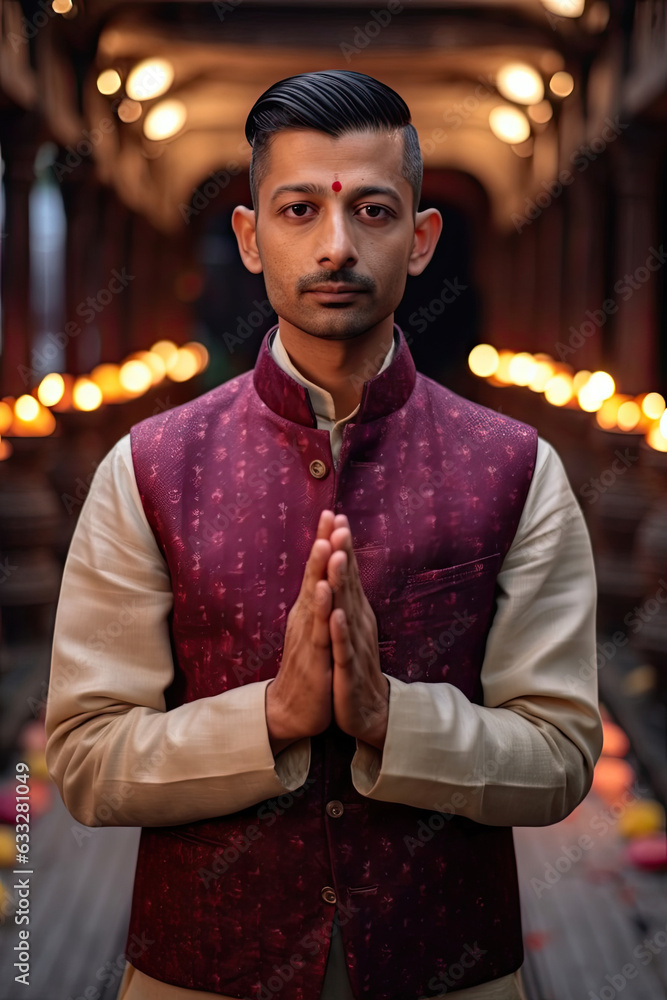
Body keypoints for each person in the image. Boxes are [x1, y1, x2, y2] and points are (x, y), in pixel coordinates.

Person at [45, 69, 603, 1000]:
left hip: (449, 971)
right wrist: (270, 719)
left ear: (421, 240)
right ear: (250, 238)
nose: (335, 244)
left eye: (373, 212)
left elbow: (559, 756)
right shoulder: (148, 467)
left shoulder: (513, 469)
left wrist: (393, 720)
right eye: (298, 210)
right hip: (201, 972)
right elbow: (85, 761)